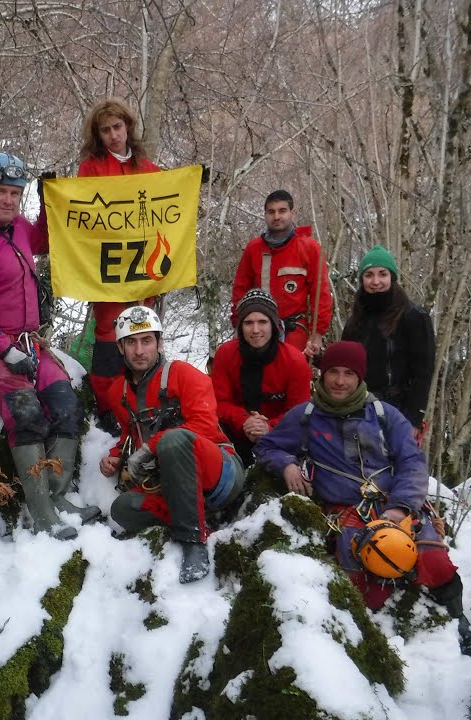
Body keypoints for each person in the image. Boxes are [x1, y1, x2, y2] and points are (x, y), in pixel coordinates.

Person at [252, 341, 471, 656]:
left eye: (349, 373)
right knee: (360, 583)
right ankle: (365, 637)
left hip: (396, 506)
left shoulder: (385, 415)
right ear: (322, 374)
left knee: (435, 562)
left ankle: (459, 620)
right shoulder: (305, 417)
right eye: (333, 372)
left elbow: (412, 462)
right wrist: (287, 464)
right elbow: (266, 446)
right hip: (346, 514)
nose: (340, 381)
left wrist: (400, 507)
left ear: (359, 377)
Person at [0, 151, 102, 540]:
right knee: (27, 413)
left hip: (33, 344)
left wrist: (51, 200)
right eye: (1, 191)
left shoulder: (19, 228)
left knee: (67, 407)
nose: (9, 200)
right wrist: (3, 348)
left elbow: (46, 240)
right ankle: (42, 513)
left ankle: (58, 496)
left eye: (16, 193)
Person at [98, 306, 246, 584]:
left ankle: (193, 540)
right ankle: (193, 515)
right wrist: (116, 456)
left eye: (146, 341)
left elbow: (204, 424)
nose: (139, 350)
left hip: (219, 473)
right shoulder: (118, 392)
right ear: (120, 347)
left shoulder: (185, 374)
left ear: (159, 343)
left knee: (173, 439)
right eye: (131, 342)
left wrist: (152, 446)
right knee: (122, 508)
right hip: (171, 483)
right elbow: (130, 434)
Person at [76, 98, 162, 432]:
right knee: (109, 335)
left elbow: (166, 208)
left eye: (118, 127)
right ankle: (108, 410)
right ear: (98, 134)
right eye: (106, 130)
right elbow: (80, 214)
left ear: (128, 127)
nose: (113, 135)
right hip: (108, 268)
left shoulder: (146, 167)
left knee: (142, 334)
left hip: (141, 269)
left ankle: (145, 405)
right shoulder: (92, 167)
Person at [335, 245, 435, 443]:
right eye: (369, 275)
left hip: (398, 409)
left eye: (383, 274)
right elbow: (345, 365)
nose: (376, 281)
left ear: (392, 278)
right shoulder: (356, 321)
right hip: (358, 408)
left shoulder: (413, 317)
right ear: (362, 280)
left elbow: (423, 372)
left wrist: (414, 419)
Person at [210, 288, 311, 465]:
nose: (255, 330)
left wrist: (268, 426)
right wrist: (245, 421)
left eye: (262, 322)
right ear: (240, 327)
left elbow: (300, 412)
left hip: (281, 438)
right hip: (233, 437)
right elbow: (218, 403)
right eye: (248, 323)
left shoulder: (295, 361)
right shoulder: (225, 354)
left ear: (273, 324)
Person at [230, 190, 333, 358]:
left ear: (292, 213)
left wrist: (317, 333)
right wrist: (238, 324)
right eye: (271, 212)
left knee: (293, 379)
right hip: (258, 332)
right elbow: (240, 290)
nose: (276, 216)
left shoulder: (310, 248)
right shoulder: (254, 249)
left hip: (294, 332)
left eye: (282, 210)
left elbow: (320, 294)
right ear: (265, 215)